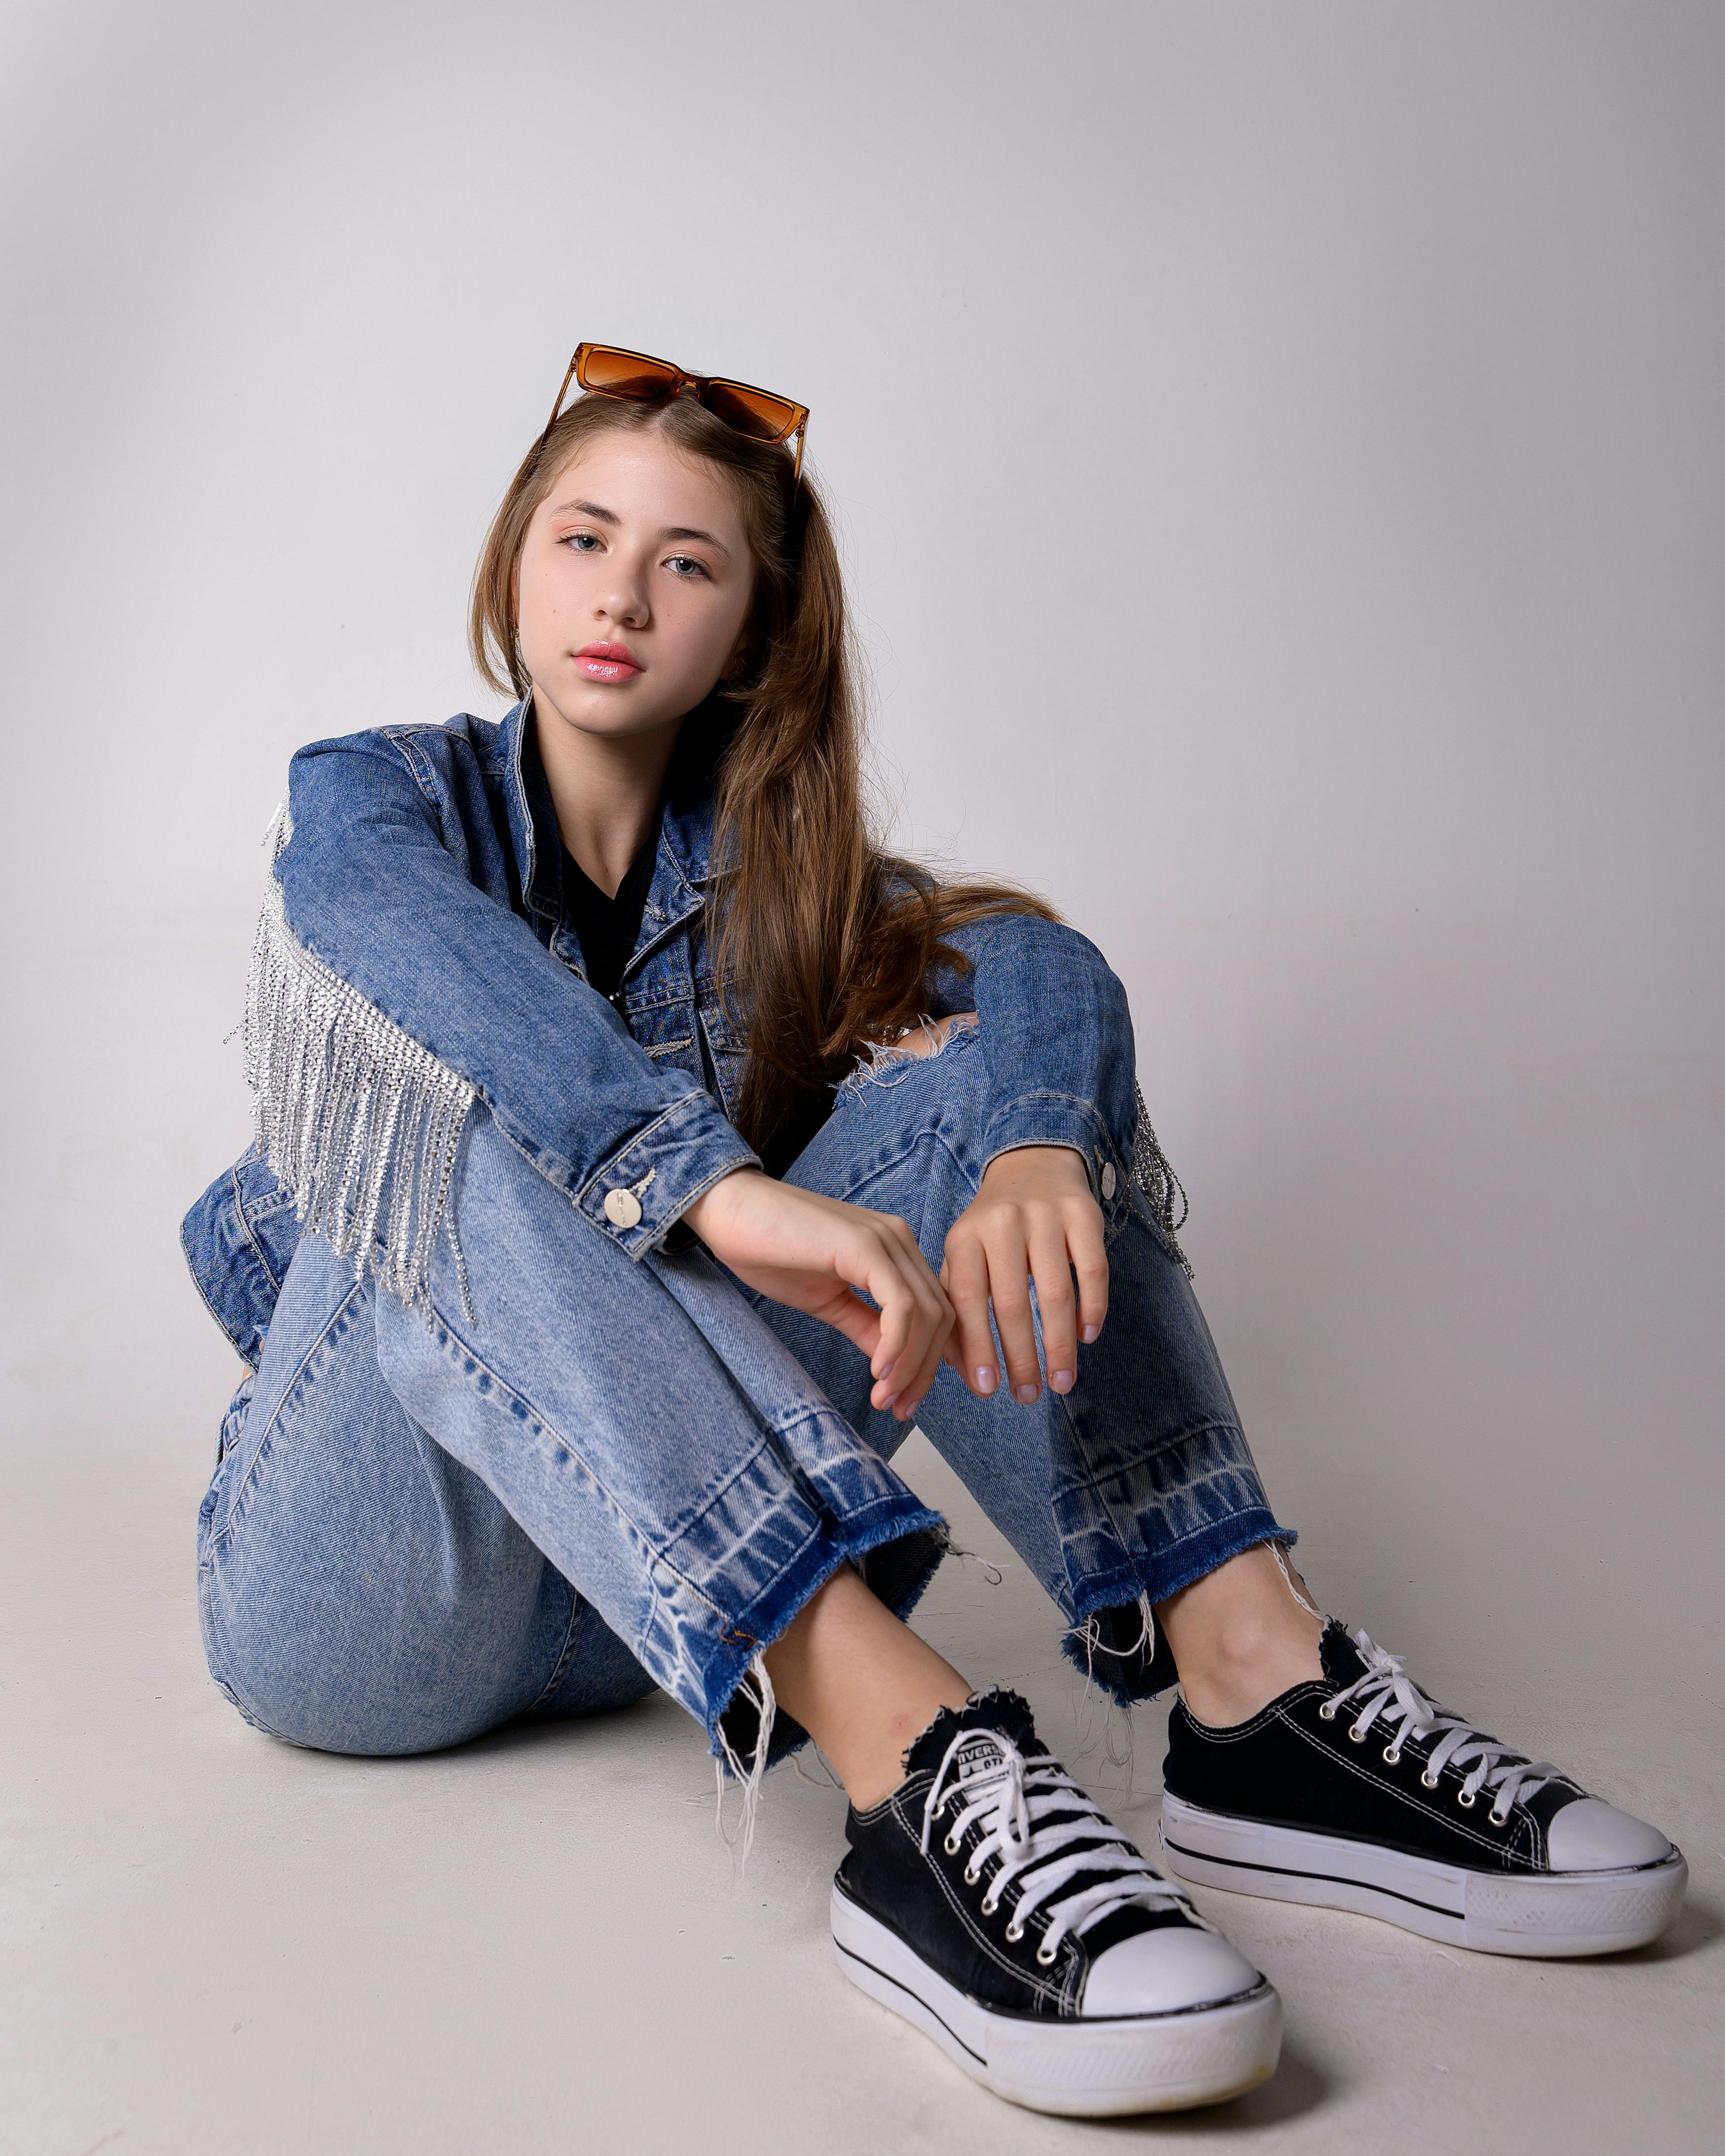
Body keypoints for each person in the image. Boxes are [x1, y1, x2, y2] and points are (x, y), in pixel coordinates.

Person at [181, 342, 1687, 2120]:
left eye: (688, 561)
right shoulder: (375, 799)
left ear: (746, 630)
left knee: (999, 1074)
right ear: (512, 563)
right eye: (583, 537)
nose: (621, 593)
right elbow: (376, 930)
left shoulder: (775, 886)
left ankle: (1253, 1690)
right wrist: (710, 1187)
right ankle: (913, 1772)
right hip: (373, 1604)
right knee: (462, 1102)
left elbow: (1027, 959)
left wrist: (1035, 1144)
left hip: (655, 1602)